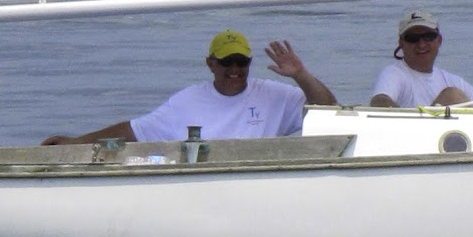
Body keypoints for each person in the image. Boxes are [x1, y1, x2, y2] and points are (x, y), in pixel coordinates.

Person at [41, 30, 337, 144]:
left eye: (241, 62)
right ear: (211, 64)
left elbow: (329, 111)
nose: (235, 70)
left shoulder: (273, 94)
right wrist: (76, 142)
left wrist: (301, 75)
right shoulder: (187, 101)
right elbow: (134, 131)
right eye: (226, 63)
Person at [369, 10, 473, 108]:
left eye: (428, 37)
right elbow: (379, 101)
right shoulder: (394, 73)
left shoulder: (454, 81)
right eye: (413, 38)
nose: (421, 44)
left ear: (439, 40)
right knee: (452, 96)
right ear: (401, 43)